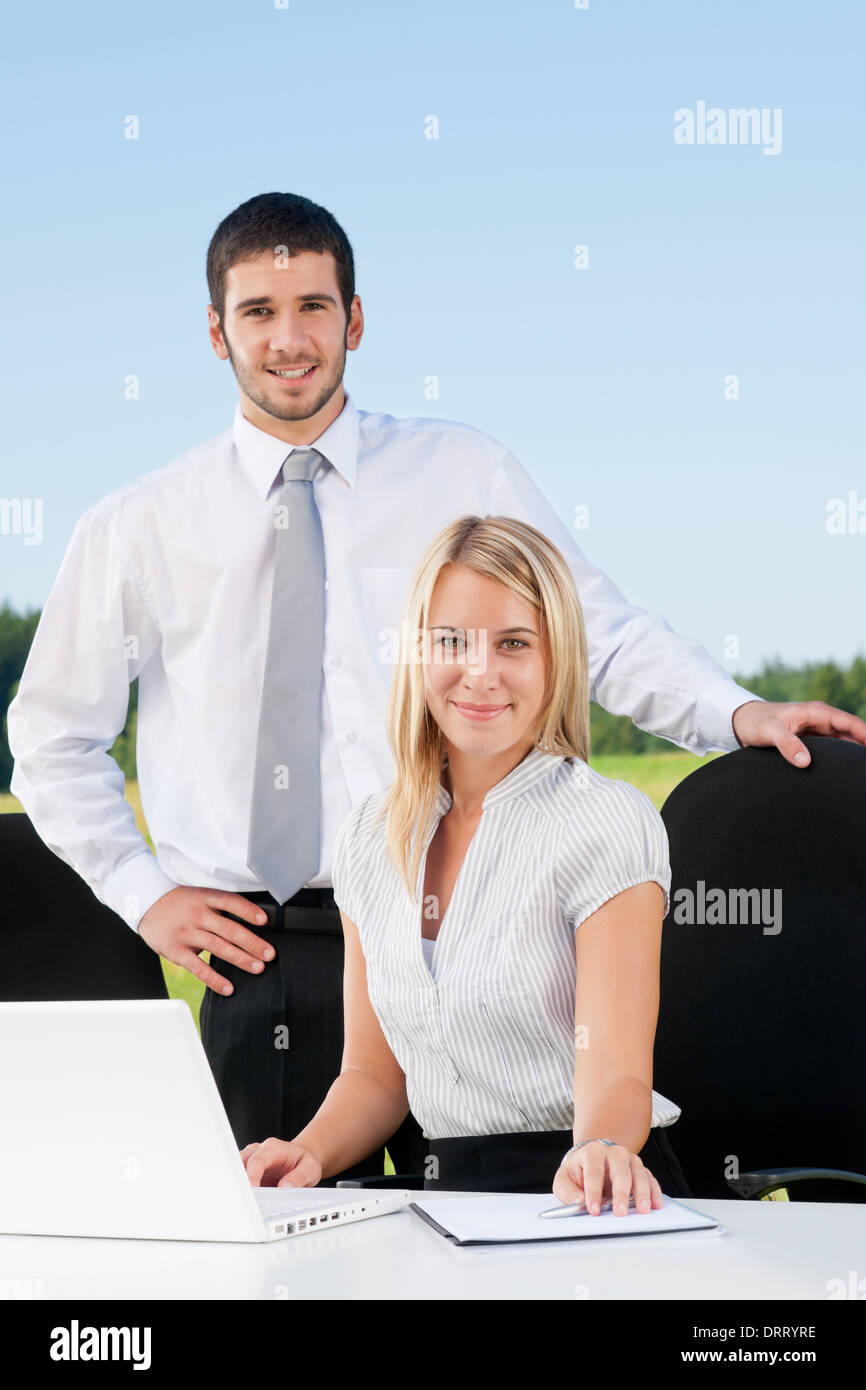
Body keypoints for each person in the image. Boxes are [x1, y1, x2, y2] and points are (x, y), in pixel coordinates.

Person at [8, 191, 866, 1182]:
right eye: (257, 311)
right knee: (277, 1243)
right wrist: (144, 892)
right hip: (259, 959)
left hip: (475, 948)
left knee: (481, 1222)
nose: (288, 339)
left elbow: (590, 627)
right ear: (215, 332)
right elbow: (51, 736)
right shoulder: (134, 527)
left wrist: (733, 710)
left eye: (313, 307)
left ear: (354, 319)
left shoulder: (460, 469)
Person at [241, 514, 690, 1205]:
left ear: (556, 659)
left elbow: (617, 1074)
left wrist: (598, 1152)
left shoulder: (606, 822)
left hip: (589, 1180)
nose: (479, 673)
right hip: (447, 1193)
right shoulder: (369, 836)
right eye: (451, 640)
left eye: (513, 643)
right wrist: (305, 1153)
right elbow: (374, 1076)